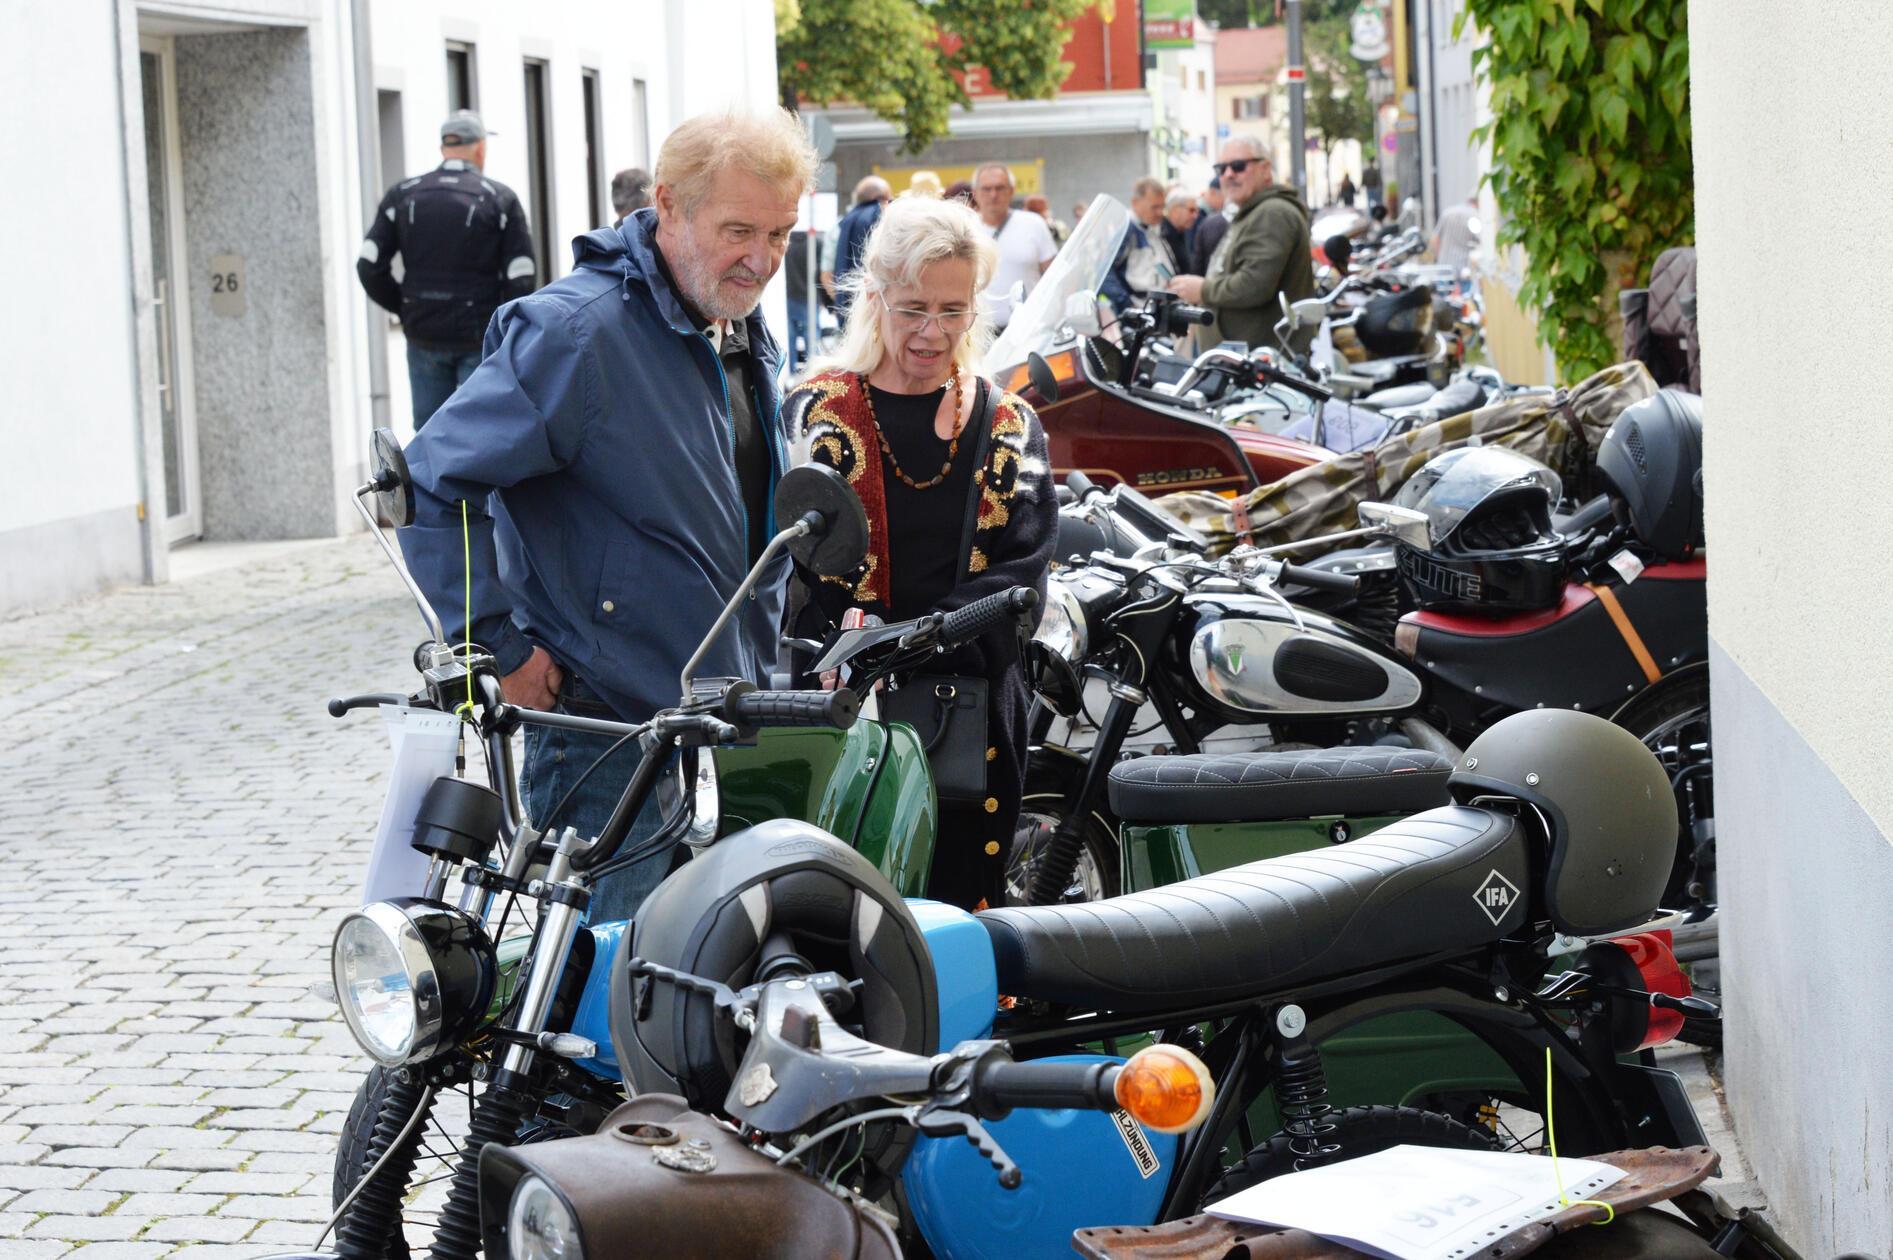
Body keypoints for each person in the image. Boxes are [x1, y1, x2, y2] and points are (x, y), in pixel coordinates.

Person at [394, 110, 818, 920]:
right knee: (589, 1006)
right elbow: (430, 483)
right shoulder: (575, 332)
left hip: (717, 721)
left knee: (689, 995)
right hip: (604, 737)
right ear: (669, 205)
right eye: (739, 229)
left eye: (780, 233)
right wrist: (497, 648)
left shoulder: (729, 320)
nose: (761, 259)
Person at [784, 195, 1058, 911]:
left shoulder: (1008, 425)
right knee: (827, 922)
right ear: (873, 297)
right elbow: (780, 556)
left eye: (952, 309)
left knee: (951, 924)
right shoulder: (815, 414)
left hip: (965, 724)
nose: (932, 332)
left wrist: (914, 639)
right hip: (831, 719)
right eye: (912, 309)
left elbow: (1023, 575)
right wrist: (837, 629)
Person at [357, 110, 537, 430]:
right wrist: (502, 327)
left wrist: (406, 306)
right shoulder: (500, 199)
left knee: (430, 434)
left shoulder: (403, 195)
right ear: (480, 149)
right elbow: (521, 276)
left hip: (423, 332)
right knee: (481, 431)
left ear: (443, 148)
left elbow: (368, 266)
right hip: (478, 335)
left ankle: (432, 482)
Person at [1166, 137, 1316, 353]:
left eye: (1238, 166)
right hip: (1243, 360)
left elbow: (1255, 285)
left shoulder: (1271, 212)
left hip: (1260, 363)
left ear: (1265, 169)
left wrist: (1202, 290)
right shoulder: (1252, 211)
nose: (1228, 174)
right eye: (1221, 168)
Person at [971, 163, 1057, 326]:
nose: (993, 195)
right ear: (975, 193)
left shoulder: (1033, 224)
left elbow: (1054, 276)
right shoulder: (964, 228)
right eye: (986, 189)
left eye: (1000, 188)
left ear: (1011, 190)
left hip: (1028, 330)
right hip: (980, 332)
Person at [1101, 177, 1178, 314]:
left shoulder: (1152, 227)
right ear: (1135, 203)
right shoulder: (1125, 229)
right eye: (1154, 207)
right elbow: (1104, 271)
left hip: (1156, 307)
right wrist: (1128, 306)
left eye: (1162, 206)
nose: (1160, 212)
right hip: (1139, 309)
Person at [825, 176, 891, 321]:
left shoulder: (845, 220)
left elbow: (827, 270)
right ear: (878, 197)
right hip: (870, 309)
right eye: (888, 198)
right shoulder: (879, 215)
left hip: (846, 306)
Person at [1432, 193, 1483, 278]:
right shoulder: (1474, 216)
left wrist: (1440, 256)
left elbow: (1435, 239)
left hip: (1444, 267)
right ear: (1478, 203)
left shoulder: (1447, 213)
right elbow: (1481, 240)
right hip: (1463, 269)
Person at [1191, 176, 1230, 274]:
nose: (1227, 200)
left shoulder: (1210, 214)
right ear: (1213, 192)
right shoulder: (1198, 214)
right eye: (1225, 195)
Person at [1161, 186, 1197, 275]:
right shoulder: (1161, 235)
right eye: (1191, 210)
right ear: (1175, 210)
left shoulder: (1182, 232)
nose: (1195, 216)